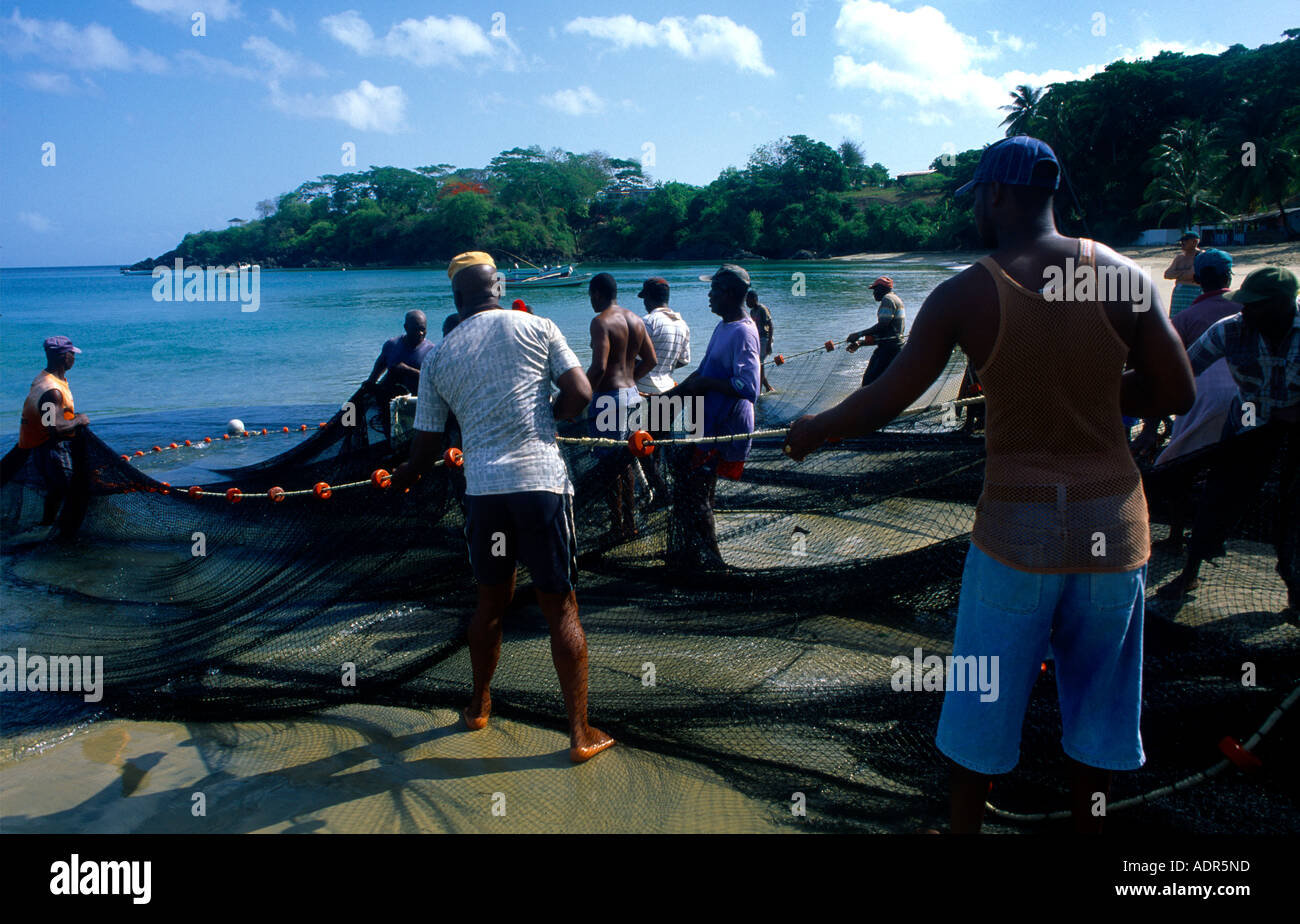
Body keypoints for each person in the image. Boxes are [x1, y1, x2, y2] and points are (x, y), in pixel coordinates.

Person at [784, 136, 1195, 833]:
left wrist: (814, 428)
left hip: (1018, 534)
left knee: (982, 708)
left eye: (978, 193)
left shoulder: (966, 293)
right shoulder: (1120, 274)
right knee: (1096, 718)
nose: (976, 205)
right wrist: (1094, 391)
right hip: (1114, 529)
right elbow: (1177, 391)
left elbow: (889, 398)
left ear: (998, 194)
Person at [389, 252, 614, 762]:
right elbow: (580, 391)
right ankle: (579, 734)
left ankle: (478, 707)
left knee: (491, 604)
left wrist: (403, 477)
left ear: (456, 299)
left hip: (484, 496)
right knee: (561, 606)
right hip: (540, 486)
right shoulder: (537, 326)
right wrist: (547, 421)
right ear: (499, 286)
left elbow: (424, 446)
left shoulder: (441, 355)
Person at [1155, 266, 1300, 616]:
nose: (1245, 311)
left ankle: (1295, 591)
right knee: (1219, 496)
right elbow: (1183, 371)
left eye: (1255, 305)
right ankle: (1190, 573)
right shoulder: (1232, 329)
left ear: (1283, 305)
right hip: (1250, 420)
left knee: (1294, 513)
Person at [666, 264, 761, 570]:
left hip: (725, 423)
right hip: (705, 421)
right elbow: (704, 369)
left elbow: (748, 388)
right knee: (701, 490)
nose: (709, 296)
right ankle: (703, 554)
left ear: (731, 294)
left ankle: (714, 562)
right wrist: (668, 397)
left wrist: (704, 384)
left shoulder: (744, 332)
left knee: (697, 492)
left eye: (714, 290)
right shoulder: (724, 327)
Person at [586, 272, 656, 541]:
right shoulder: (636, 319)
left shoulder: (600, 322)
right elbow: (650, 360)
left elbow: (599, 367)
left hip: (608, 399)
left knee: (608, 465)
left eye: (591, 296)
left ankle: (617, 527)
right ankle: (630, 523)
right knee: (626, 460)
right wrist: (629, 381)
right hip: (632, 396)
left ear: (597, 294)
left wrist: (583, 394)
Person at [14, 336, 92, 539]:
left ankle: (47, 524)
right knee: (68, 490)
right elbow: (54, 427)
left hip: (40, 448)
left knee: (56, 491)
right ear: (63, 356)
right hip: (50, 450)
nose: (73, 357)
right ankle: (62, 535)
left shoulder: (45, 379)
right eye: (71, 354)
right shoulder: (52, 391)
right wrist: (79, 420)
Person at [637, 276, 691, 501]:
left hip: (643, 392)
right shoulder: (682, 324)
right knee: (657, 444)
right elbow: (684, 360)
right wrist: (665, 367)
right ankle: (659, 490)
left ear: (649, 298)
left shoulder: (648, 322)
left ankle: (660, 492)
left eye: (644, 298)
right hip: (669, 390)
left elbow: (635, 358)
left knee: (640, 446)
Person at [846, 277, 906, 387]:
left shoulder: (887, 300)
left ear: (882, 289)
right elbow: (887, 334)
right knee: (884, 383)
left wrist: (858, 334)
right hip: (895, 347)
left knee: (869, 382)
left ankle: (867, 403)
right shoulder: (895, 298)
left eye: (875, 290)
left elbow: (883, 325)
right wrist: (861, 343)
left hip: (888, 350)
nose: (874, 293)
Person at [364, 310, 434, 395]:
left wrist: (408, 370)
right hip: (390, 396)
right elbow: (375, 375)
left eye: (422, 329)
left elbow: (434, 380)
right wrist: (369, 385)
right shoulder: (391, 345)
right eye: (415, 329)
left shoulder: (432, 350)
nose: (420, 333)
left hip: (417, 399)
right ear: (406, 327)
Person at [1163, 231, 1203, 318]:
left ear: (1195, 242)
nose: (1182, 243)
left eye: (1186, 241)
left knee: (1192, 320)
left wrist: (1177, 274)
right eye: (1182, 241)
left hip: (1194, 293)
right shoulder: (1180, 258)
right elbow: (1167, 274)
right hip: (1178, 295)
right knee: (1176, 321)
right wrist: (1184, 273)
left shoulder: (1200, 256)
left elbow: (1191, 275)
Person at [747, 290, 775, 393]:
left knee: (760, 364)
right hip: (758, 340)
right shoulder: (752, 312)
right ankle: (768, 388)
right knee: (757, 364)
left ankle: (758, 391)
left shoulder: (763, 309)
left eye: (748, 300)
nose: (747, 303)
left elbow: (771, 325)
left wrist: (768, 344)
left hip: (765, 339)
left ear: (754, 299)